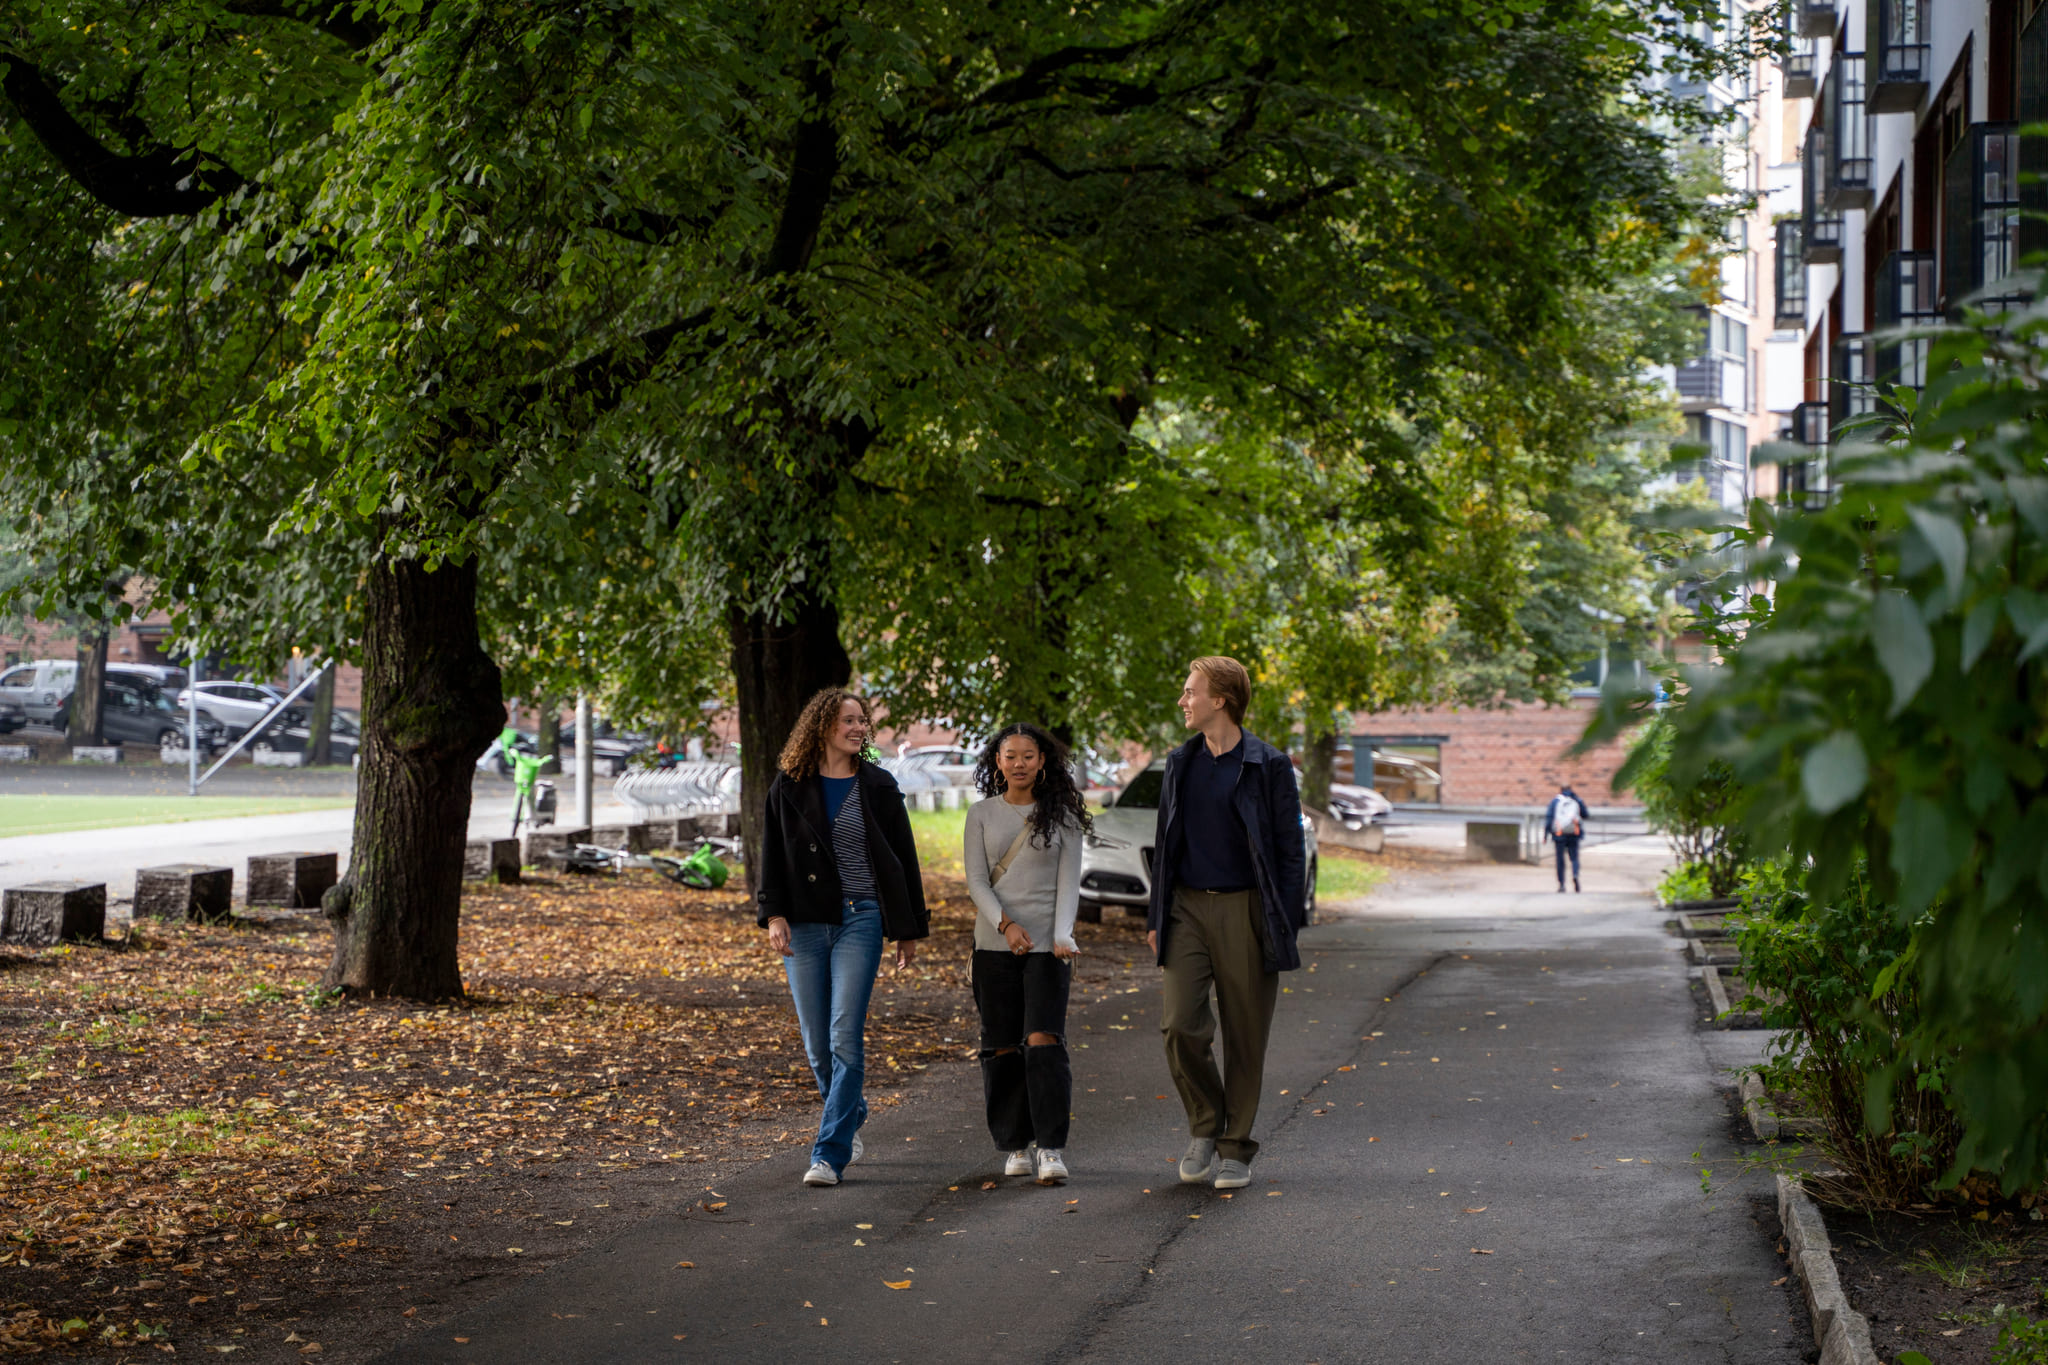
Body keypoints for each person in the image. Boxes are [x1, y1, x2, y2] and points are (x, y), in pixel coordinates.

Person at [1146, 657, 1307, 1190]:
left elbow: (1289, 852)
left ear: (1220, 700)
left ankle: (1236, 1147)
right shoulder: (1180, 762)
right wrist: (1156, 914)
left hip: (1246, 908)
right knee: (1179, 1025)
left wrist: (1281, 922)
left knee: (1245, 1033)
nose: (1182, 700)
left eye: (1190, 691)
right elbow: (1165, 846)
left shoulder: (1268, 765)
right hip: (1187, 907)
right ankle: (1206, 1124)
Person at [756, 688, 927, 1187]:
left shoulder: (878, 785)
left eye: (862, 721)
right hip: (805, 923)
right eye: (849, 721)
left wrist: (908, 928)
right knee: (815, 1042)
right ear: (822, 726)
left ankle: (828, 1154)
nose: (859, 728)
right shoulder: (789, 785)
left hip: (862, 918)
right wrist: (773, 915)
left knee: (843, 1036)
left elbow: (904, 858)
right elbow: (772, 855)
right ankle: (850, 1112)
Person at [963, 723, 1088, 1186]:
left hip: (1047, 950)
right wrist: (1006, 925)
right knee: (1000, 1045)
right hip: (994, 945)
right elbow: (977, 882)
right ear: (998, 761)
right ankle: (1015, 1142)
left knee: (1043, 1040)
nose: (1019, 763)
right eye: (1010, 755)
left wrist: (1061, 936)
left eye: (1028, 756)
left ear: (1042, 761)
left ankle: (1050, 1148)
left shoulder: (1064, 817)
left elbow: (1067, 884)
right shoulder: (980, 814)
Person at [1544, 781, 1588, 893]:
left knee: (1560, 860)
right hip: (1574, 833)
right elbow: (1585, 814)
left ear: (1560, 790)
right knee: (1574, 857)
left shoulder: (1555, 801)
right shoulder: (1576, 800)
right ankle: (1575, 874)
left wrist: (1546, 834)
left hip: (1559, 834)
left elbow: (1549, 818)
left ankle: (1562, 884)